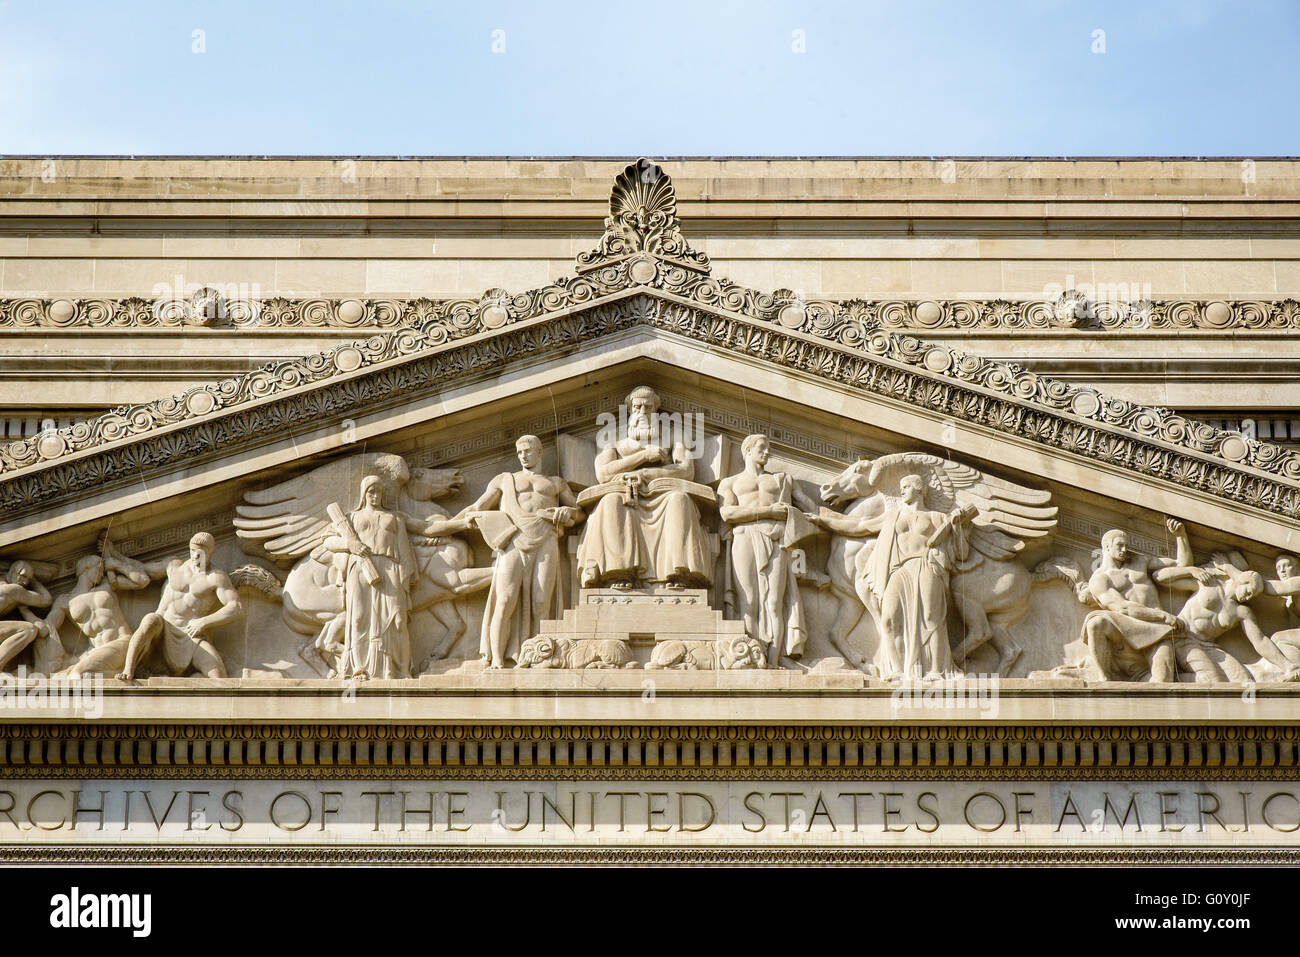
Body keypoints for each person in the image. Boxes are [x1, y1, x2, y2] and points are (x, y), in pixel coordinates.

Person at [457, 435, 583, 668]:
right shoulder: (505, 480)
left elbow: (578, 512)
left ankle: (537, 656)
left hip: (546, 538)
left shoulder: (555, 483)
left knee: (541, 600)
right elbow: (477, 507)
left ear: (539, 451)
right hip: (514, 539)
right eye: (518, 452)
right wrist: (452, 523)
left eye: (527, 450)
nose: (522, 455)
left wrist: (566, 512)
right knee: (505, 599)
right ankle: (497, 659)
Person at [576, 386, 711, 589]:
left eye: (648, 407)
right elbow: (603, 473)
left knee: (679, 500)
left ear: (656, 410)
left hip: (662, 494)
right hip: (626, 494)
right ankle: (618, 573)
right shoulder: (612, 437)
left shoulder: (673, 434)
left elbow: (686, 470)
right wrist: (643, 457)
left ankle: (676, 574)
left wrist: (646, 474)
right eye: (637, 407)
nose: (642, 412)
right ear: (630, 410)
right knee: (610, 501)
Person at [862, 474, 974, 680]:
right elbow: (861, 526)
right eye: (901, 487)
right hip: (899, 568)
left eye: (906, 486)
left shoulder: (938, 517)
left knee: (932, 617)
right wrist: (823, 519)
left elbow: (961, 553)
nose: (902, 490)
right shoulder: (893, 516)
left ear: (920, 489)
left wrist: (957, 526)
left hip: (926, 566)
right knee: (888, 619)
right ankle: (896, 670)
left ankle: (935, 671)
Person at [718, 434, 816, 667]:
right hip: (744, 538)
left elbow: (811, 510)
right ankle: (753, 657)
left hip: (775, 540)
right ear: (747, 451)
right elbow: (727, 514)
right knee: (748, 601)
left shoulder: (783, 480)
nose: (767, 453)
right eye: (762, 448)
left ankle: (772, 661)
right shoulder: (730, 483)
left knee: (774, 602)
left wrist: (795, 514)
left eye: (769, 448)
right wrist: (769, 511)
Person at [321, 475, 417, 680]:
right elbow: (328, 541)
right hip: (360, 567)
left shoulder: (395, 518)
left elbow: (405, 552)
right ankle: (360, 668)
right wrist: (350, 545)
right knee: (358, 618)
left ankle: (401, 670)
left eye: (378, 492)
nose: (374, 496)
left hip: (390, 569)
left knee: (398, 621)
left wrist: (405, 580)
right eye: (370, 492)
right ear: (363, 494)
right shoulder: (351, 518)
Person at [1081, 520, 1197, 682]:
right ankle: (1105, 678)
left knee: (1163, 682)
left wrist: (1181, 536)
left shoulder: (1141, 562)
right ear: (1107, 547)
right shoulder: (1100, 579)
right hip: (1126, 628)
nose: (1124, 550)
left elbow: (1182, 564)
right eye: (1119, 545)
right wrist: (1162, 615)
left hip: (1157, 630)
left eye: (1126, 545)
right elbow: (1122, 608)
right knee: (1096, 623)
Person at [117, 532, 242, 680]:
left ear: (210, 553)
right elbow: (144, 570)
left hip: (191, 634)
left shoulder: (215, 577)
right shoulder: (174, 566)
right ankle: (128, 670)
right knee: (150, 619)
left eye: (200, 553)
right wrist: (116, 560)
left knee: (219, 676)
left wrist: (204, 622)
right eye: (192, 551)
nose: (195, 556)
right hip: (162, 629)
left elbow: (236, 607)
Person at [48, 543, 152, 677]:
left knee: (77, 674)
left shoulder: (107, 586)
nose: (102, 573)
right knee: (65, 677)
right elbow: (48, 628)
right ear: (85, 569)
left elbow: (142, 580)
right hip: (96, 651)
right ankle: (114, 674)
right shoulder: (64, 601)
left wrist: (116, 564)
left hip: (122, 642)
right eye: (99, 568)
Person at [0, 561, 54, 673]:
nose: (25, 582)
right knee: (29, 629)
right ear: (12, 572)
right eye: (23, 576)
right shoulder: (13, 590)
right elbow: (46, 599)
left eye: (28, 579)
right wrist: (33, 579)